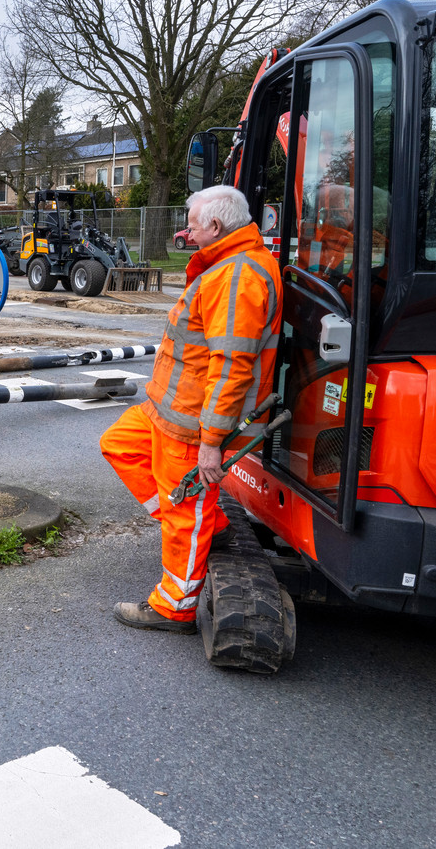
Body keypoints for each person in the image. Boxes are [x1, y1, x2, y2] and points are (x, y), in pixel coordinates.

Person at [99, 185, 283, 633]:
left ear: (216, 227)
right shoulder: (228, 266)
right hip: (170, 408)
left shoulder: (236, 277)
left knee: (185, 511)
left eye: (193, 225)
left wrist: (212, 441)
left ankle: (173, 606)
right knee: (118, 444)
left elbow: (231, 367)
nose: (187, 231)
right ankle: (208, 526)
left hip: (192, 423)